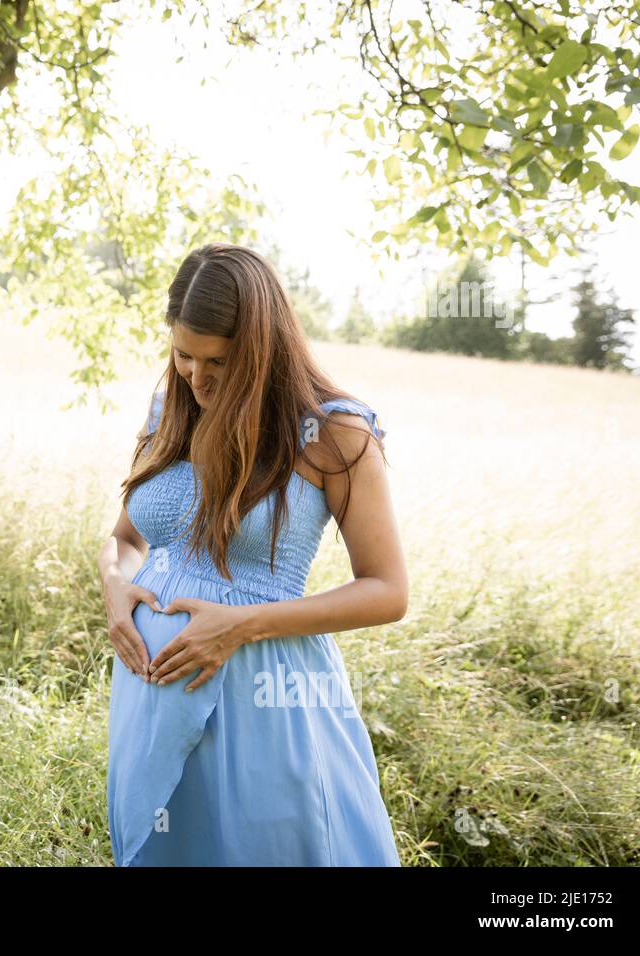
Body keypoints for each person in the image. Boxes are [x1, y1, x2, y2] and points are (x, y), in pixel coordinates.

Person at [97, 242, 408, 866]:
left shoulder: (333, 432)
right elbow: (125, 540)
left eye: (220, 360)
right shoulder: (171, 411)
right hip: (151, 697)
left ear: (263, 347)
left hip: (265, 696)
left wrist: (239, 625)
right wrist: (114, 588)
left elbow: (388, 590)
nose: (198, 377)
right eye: (183, 354)